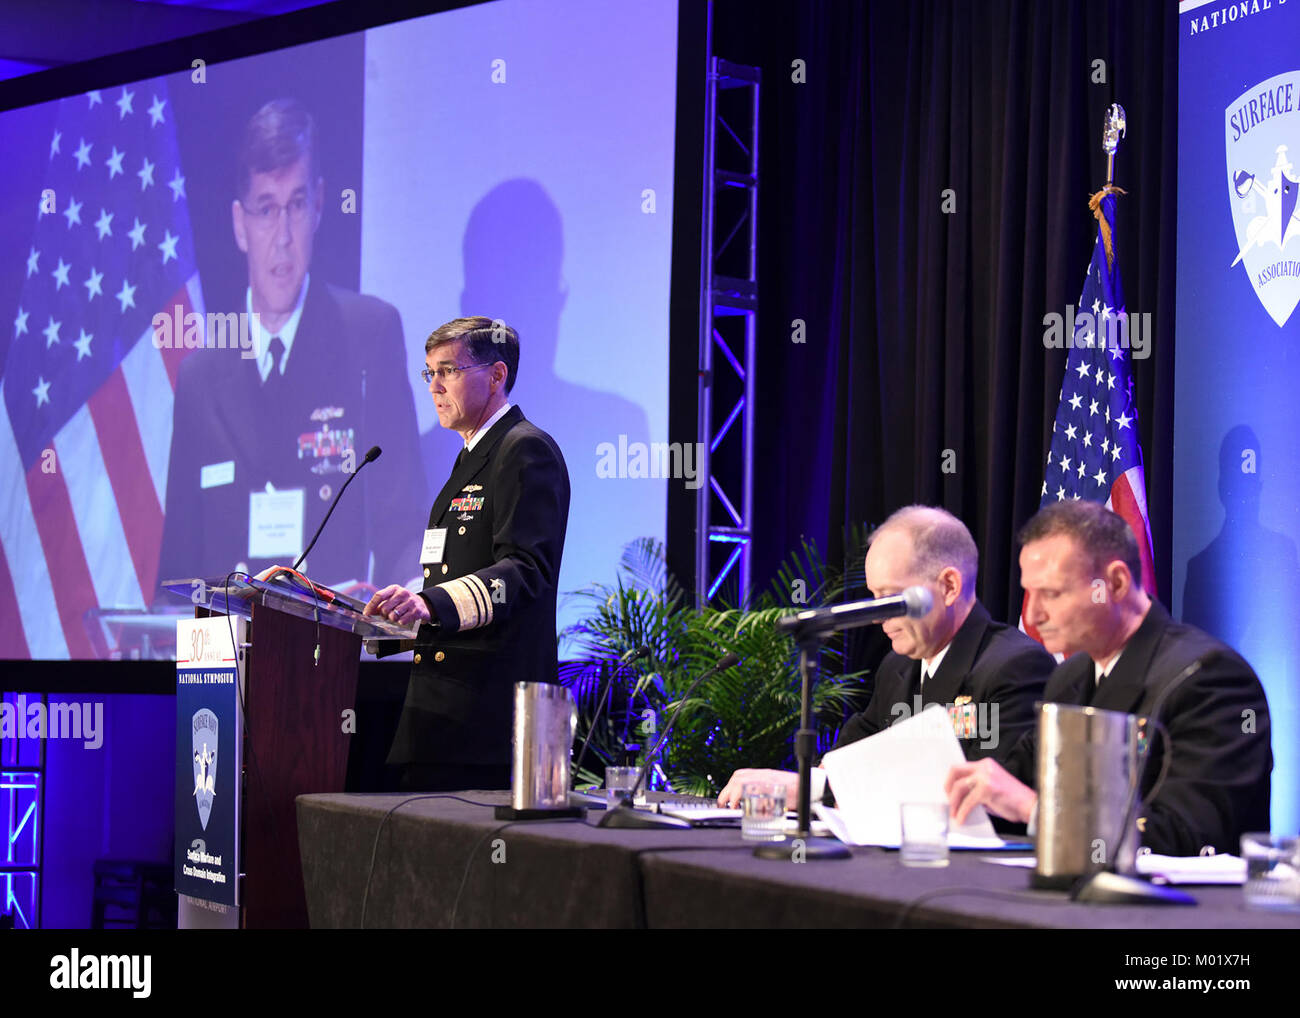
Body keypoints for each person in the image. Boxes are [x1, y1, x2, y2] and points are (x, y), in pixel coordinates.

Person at [157, 98, 425, 592]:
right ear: (240, 224)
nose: (282, 237)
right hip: (227, 660)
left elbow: (402, 522)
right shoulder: (200, 377)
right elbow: (179, 566)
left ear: (319, 205)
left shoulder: (370, 336)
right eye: (266, 209)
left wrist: (405, 593)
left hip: (335, 652)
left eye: (296, 205)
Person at [945, 500, 1273, 856]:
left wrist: (1034, 809)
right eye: (1029, 593)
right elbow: (1014, 782)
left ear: (1115, 584)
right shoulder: (1069, 679)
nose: (1034, 614)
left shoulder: (1209, 679)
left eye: (1052, 593)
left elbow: (1189, 835)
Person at [717, 506, 1054, 807]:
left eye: (890, 598)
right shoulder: (897, 667)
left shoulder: (1014, 666)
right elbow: (847, 756)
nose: (878, 617)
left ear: (949, 586)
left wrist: (815, 787)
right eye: (873, 598)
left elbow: (984, 796)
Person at [365, 317, 570, 792]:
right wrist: (388, 619)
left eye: (448, 371)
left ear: (496, 376)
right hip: (443, 721)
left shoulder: (525, 449)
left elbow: (525, 570)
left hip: (484, 724)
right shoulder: (470, 458)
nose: (434, 386)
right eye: (428, 373)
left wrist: (429, 603)